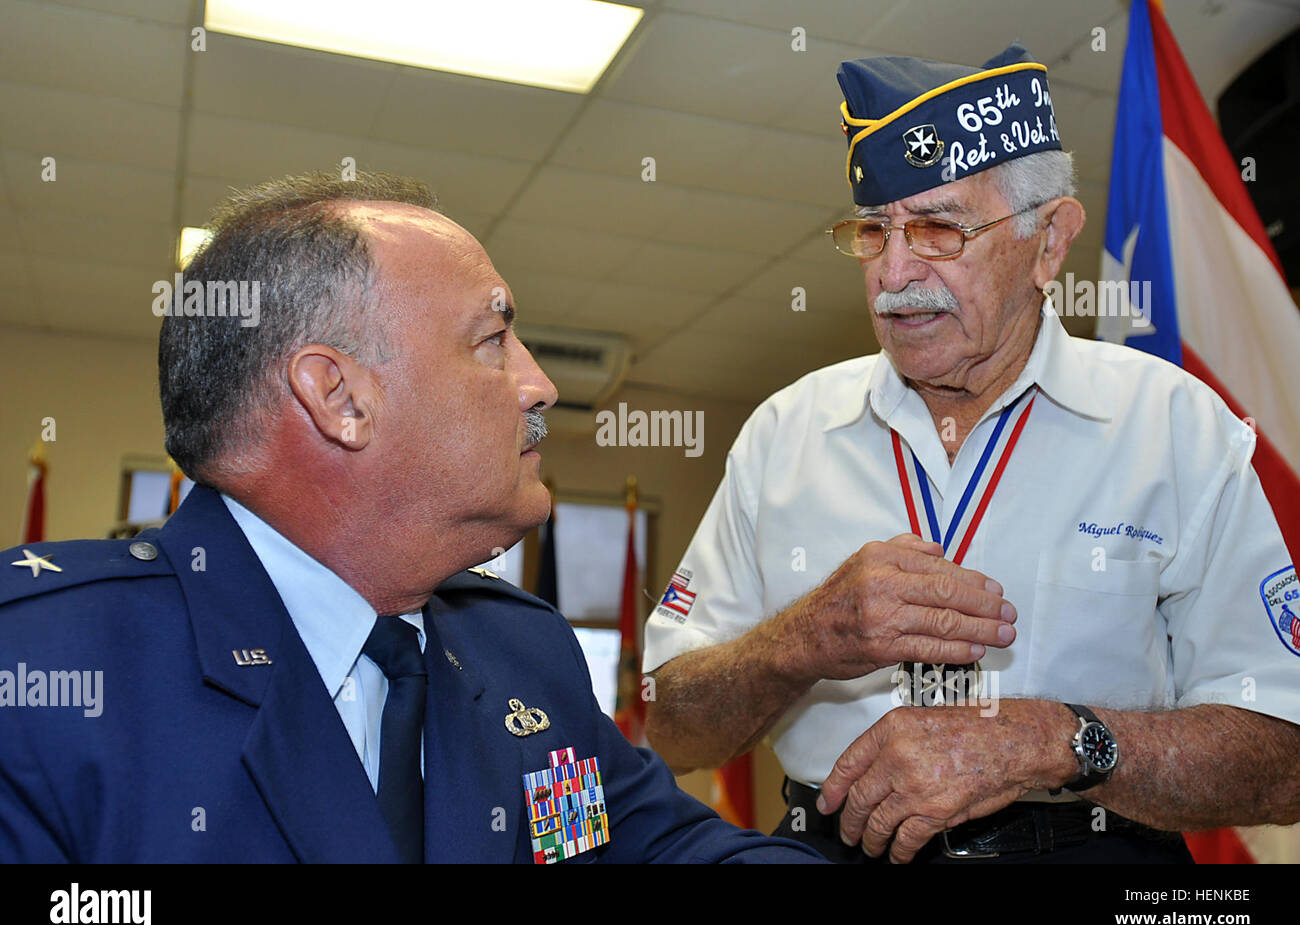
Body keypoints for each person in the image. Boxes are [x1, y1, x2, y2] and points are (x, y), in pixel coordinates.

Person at [0, 172, 821, 864]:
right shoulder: (44, 667)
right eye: (494, 339)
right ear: (339, 398)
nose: (540, 386)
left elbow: (655, 851)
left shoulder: (519, 650)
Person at [643, 45, 1300, 863]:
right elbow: (668, 722)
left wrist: (1057, 739)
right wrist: (801, 640)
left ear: (1049, 241)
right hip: (836, 843)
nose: (893, 274)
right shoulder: (788, 432)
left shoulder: (1174, 428)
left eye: (938, 230)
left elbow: (1282, 757)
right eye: (873, 233)